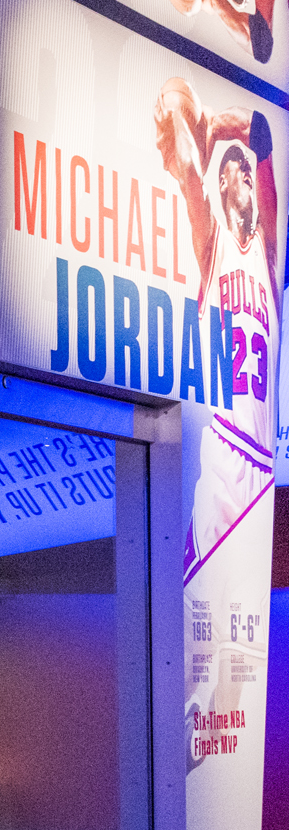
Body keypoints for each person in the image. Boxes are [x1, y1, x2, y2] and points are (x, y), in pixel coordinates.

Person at [154, 78, 278, 574]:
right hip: (226, 450)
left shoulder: (268, 254)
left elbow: (262, 133)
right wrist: (188, 122)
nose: (245, 171)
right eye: (235, 169)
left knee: (247, 643)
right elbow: (188, 170)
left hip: (264, 464)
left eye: (247, 169)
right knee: (197, 617)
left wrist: (221, 127)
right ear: (221, 183)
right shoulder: (213, 247)